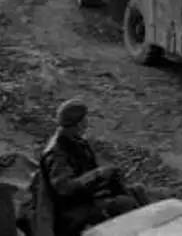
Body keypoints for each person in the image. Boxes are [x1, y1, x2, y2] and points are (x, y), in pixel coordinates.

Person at [18, 99, 150, 236]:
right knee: (124, 204)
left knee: (138, 191)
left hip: (85, 198)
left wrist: (108, 176)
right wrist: (97, 175)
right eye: (85, 120)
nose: (87, 123)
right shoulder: (56, 153)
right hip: (72, 210)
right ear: (78, 123)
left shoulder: (77, 142)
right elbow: (64, 187)